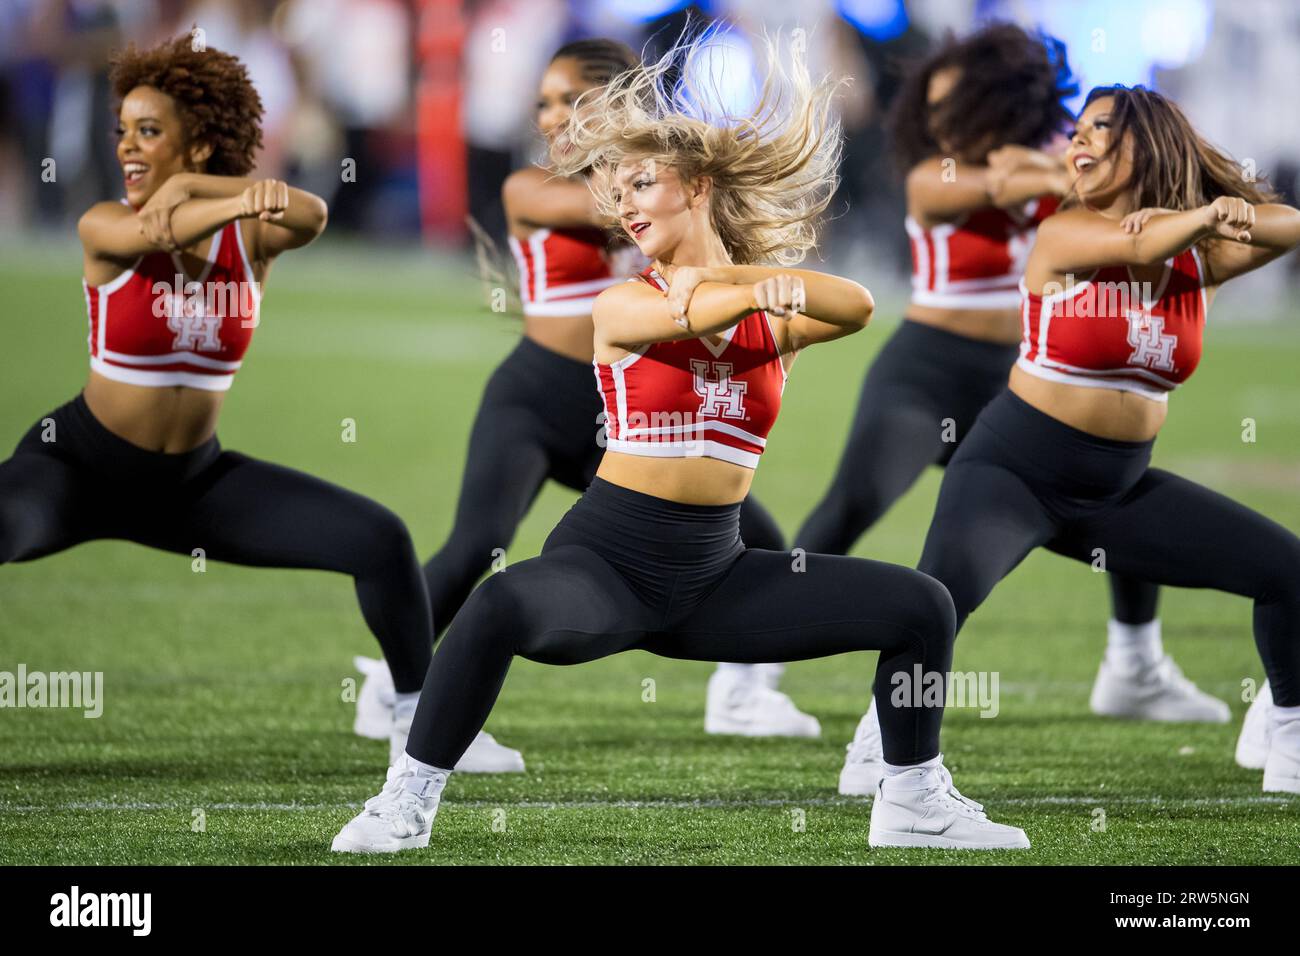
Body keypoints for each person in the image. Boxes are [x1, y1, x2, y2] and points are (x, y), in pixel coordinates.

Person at [331, 30, 1030, 854]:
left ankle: (912, 799)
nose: (623, 203)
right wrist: (735, 285)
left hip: (716, 573)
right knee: (499, 603)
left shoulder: (767, 313)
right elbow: (686, 312)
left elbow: (855, 305)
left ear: (697, 186)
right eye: (615, 188)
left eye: (642, 183)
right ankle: (406, 799)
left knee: (922, 606)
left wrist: (741, 277)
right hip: (609, 565)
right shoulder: (622, 305)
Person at [352, 39, 818, 762]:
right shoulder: (533, 190)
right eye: (542, 103)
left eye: (572, 100)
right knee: (479, 543)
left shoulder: (646, 184)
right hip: (537, 398)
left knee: (760, 536)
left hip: (629, 412)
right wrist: (680, 175)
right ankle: (396, 688)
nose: (551, 117)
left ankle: (743, 695)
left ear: (618, 102)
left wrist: (689, 179)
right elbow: (606, 206)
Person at [0, 35, 432, 767]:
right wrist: (208, 189)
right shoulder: (103, 225)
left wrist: (210, 187)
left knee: (380, 541)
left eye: (149, 131)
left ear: (200, 144)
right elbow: (157, 227)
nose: (128, 148)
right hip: (76, 467)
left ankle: (423, 729)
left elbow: (311, 212)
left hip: (190, 484)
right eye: (122, 131)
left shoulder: (249, 240)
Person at [915, 84, 1300, 794]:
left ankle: (1287, 730)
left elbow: (1290, 227)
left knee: (1288, 570)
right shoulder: (1063, 232)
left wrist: (1221, 215)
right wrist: (1204, 217)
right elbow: (1138, 238)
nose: (1078, 142)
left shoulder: (1201, 261)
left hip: (1117, 490)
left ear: (1147, 147)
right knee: (932, 608)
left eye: (1101, 131)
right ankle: (888, 759)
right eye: (1077, 131)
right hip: (1013, 472)